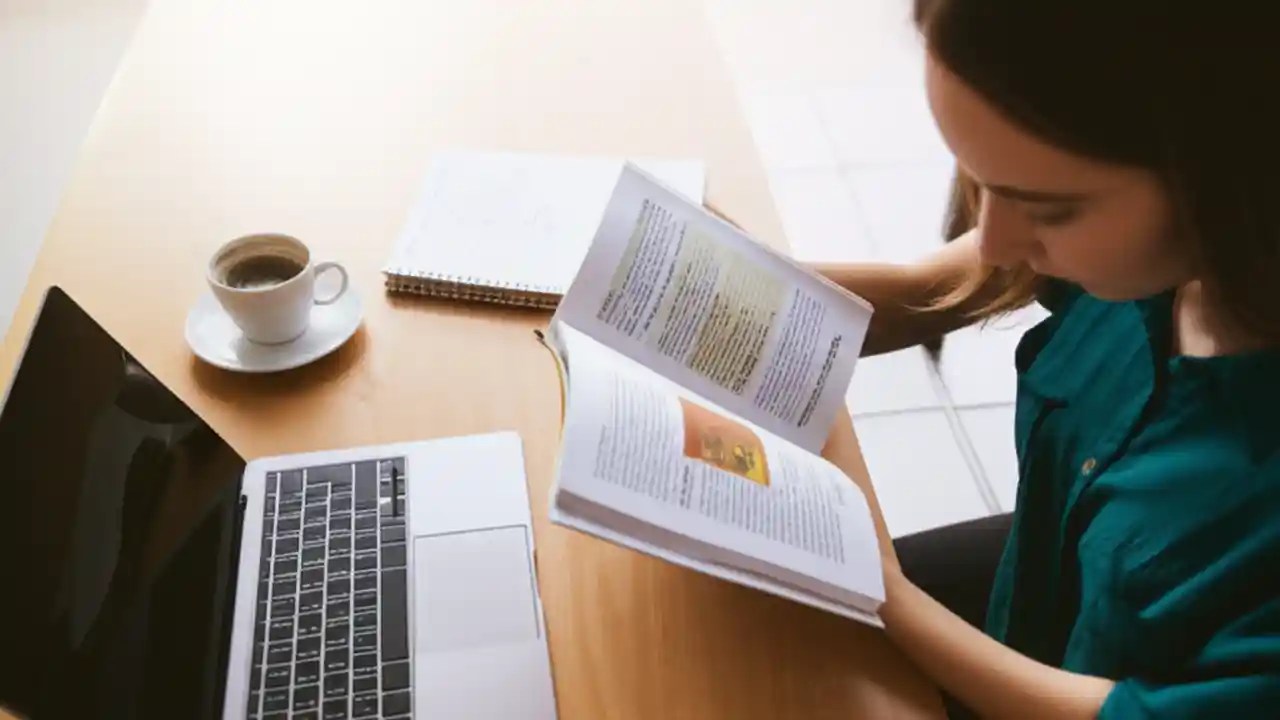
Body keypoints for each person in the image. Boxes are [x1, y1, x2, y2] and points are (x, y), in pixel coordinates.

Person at [816, 2, 1280, 718]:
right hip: (1047, 595)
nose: (994, 238)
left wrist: (888, 595)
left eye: (1051, 210)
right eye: (978, 176)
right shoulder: (1177, 244)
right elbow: (937, 287)